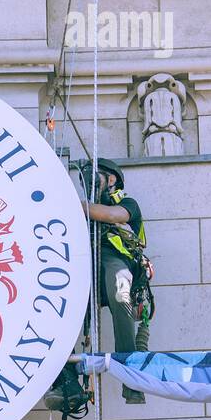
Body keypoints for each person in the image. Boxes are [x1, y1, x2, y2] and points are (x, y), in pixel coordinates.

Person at [81, 157, 147, 403]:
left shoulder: (129, 204)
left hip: (115, 259)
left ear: (111, 179)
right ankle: (65, 380)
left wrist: (76, 205)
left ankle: (130, 371)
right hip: (85, 262)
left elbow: (110, 215)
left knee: (121, 293)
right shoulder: (81, 209)